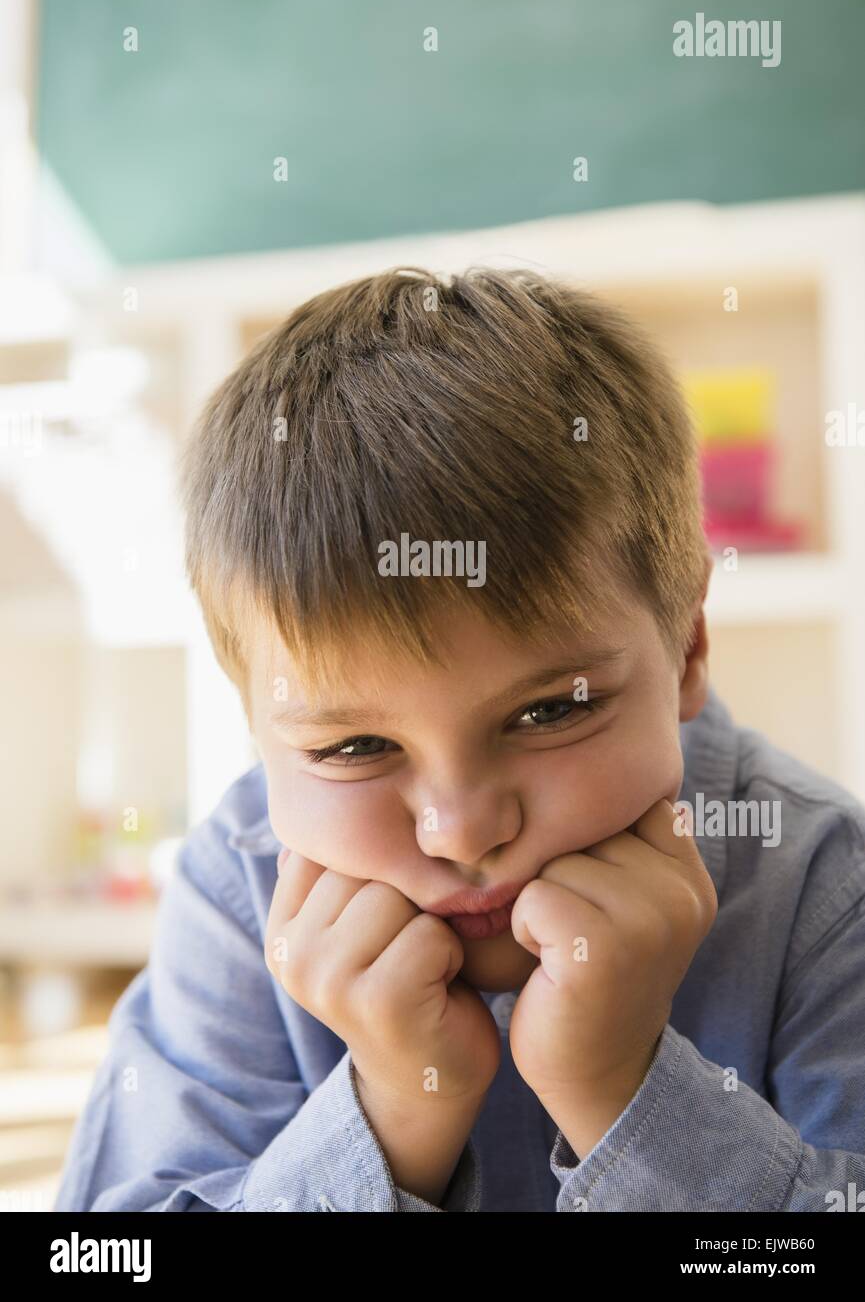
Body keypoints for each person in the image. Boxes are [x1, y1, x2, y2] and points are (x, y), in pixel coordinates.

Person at [54, 267, 865, 1211]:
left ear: (685, 647)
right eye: (353, 747)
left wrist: (625, 1092)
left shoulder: (819, 881)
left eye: (551, 710)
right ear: (255, 725)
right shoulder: (236, 892)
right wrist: (393, 1109)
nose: (459, 831)